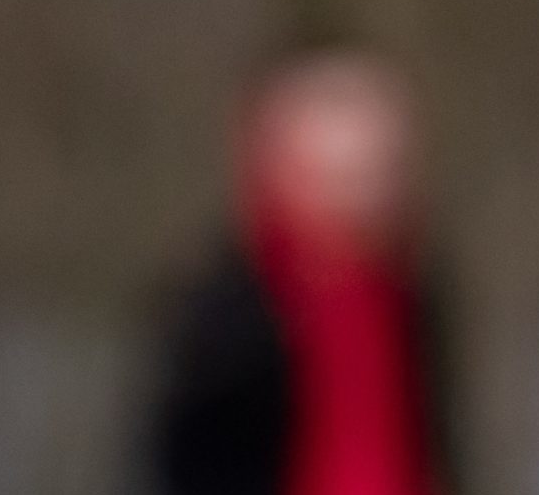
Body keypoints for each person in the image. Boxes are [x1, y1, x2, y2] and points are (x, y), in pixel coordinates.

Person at [148, 44, 458, 495]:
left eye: (379, 168)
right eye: (341, 176)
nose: (363, 196)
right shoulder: (224, 323)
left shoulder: (413, 301)